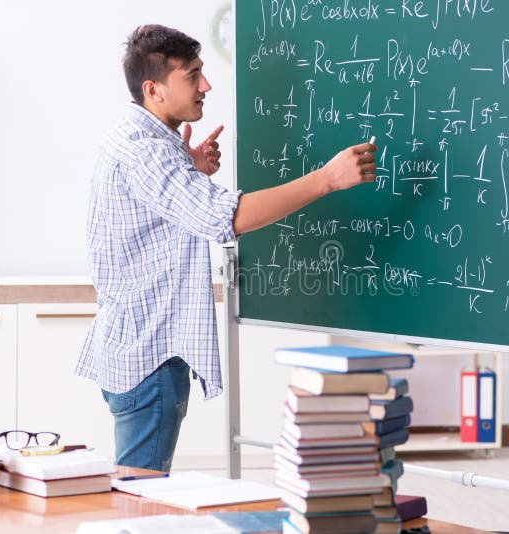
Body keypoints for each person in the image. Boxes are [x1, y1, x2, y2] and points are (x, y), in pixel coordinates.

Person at [75, 24, 376, 471]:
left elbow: (156, 205)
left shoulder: (137, 138)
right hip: (150, 359)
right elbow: (226, 218)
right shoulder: (148, 153)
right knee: (139, 495)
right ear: (154, 89)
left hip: (129, 348)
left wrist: (188, 169)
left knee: (137, 489)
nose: (206, 85)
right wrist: (327, 179)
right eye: (192, 75)